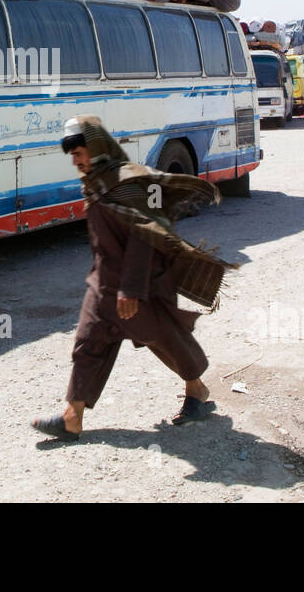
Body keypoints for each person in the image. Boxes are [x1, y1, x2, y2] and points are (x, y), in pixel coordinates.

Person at [33, 115, 229, 441]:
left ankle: (196, 389)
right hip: (104, 282)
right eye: (72, 154)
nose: (75, 160)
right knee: (88, 342)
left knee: (163, 338)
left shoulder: (129, 182)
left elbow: (145, 234)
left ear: (96, 146)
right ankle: (72, 417)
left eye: (79, 152)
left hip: (140, 282)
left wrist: (132, 288)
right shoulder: (96, 182)